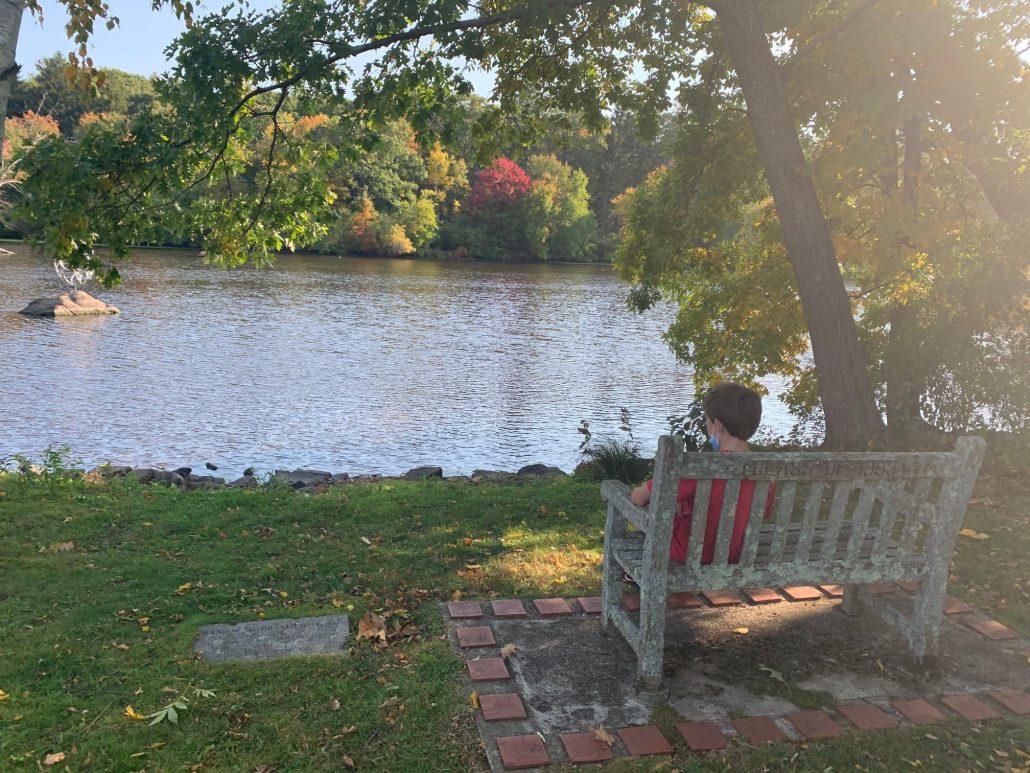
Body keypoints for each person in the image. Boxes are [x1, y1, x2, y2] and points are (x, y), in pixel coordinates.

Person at [629, 382, 773, 565]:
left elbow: (639, 498)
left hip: (687, 555)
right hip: (736, 557)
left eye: (707, 421)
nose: (707, 426)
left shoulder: (700, 468)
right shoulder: (768, 472)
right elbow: (761, 514)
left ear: (718, 426)